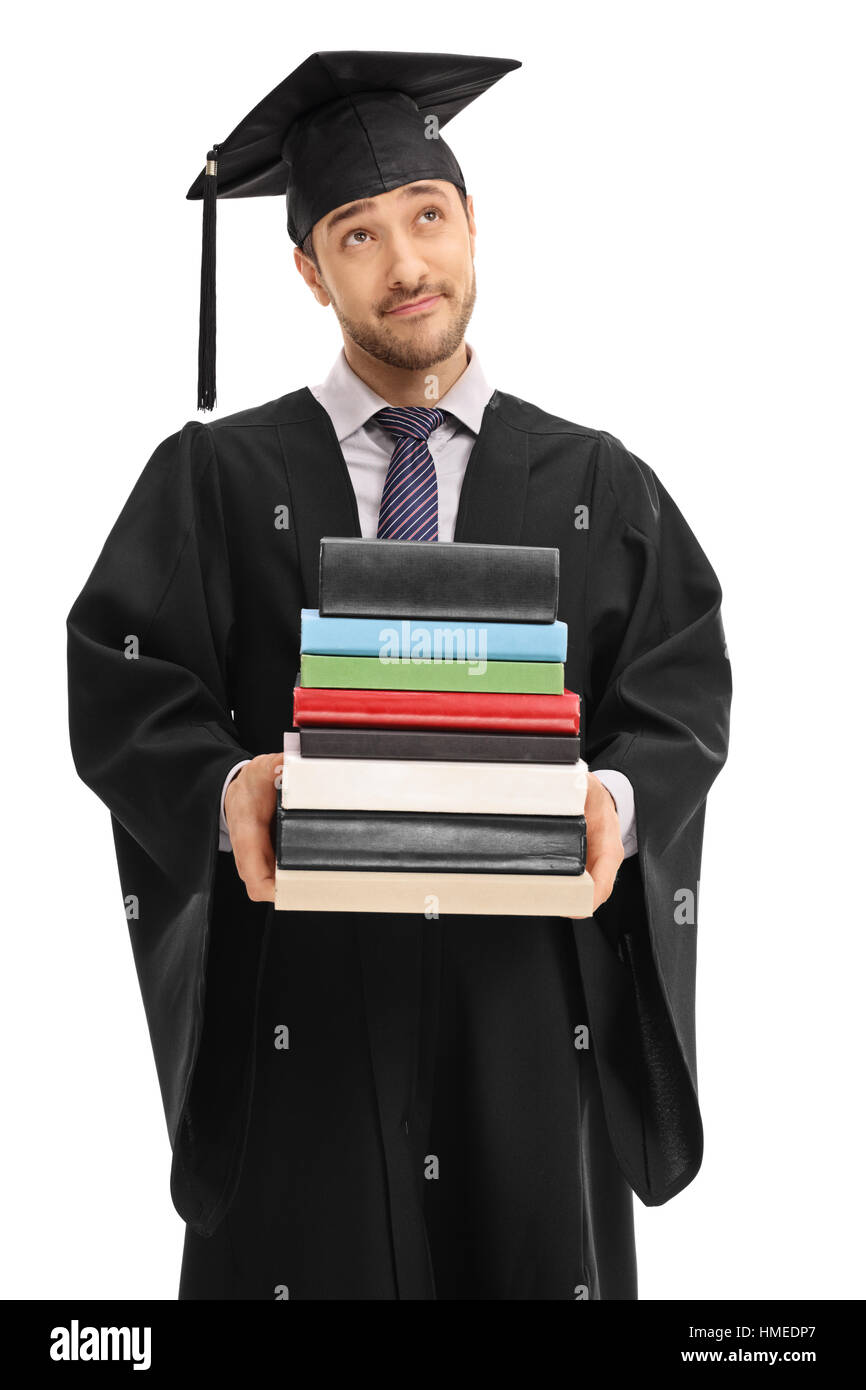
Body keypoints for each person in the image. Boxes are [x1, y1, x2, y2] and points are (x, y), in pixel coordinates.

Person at [66, 49, 732, 1300]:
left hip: (529, 1008)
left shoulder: (595, 483)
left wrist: (617, 804)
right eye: (357, 234)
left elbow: (678, 686)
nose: (406, 263)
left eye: (427, 216)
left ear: (472, 223)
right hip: (303, 1012)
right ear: (310, 270)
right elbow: (123, 678)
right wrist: (223, 793)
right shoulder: (214, 481)